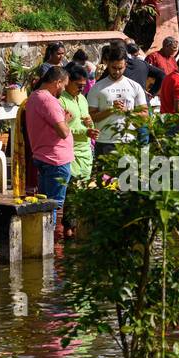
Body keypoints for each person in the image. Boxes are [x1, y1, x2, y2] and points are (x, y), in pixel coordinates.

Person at [24, 65, 73, 233]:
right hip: (55, 160)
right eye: (64, 85)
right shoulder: (48, 100)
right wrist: (66, 120)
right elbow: (63, 132)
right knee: (54, 206)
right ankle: (52, 244)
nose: (64, 89)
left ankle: (43, 241)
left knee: (44, 204)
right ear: (57, 82)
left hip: (44, 157)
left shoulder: (34, 97)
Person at [87, 42, 148, 157]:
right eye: (113, 68)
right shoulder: (97, 88)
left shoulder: (135, 86)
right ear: (107, 63)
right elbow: (91, 116)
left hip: (129, 141)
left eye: (120, 68)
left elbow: (145, 116)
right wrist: (111, 110)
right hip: (105, 142)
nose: (117, 71)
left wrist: (126, 111)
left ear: (126, 65)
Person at [59, 64, 96, 238]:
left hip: (85, 151)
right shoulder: (61, 100)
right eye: (78, 85)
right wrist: (84, 130)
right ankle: (68, 228)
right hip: (70, 150)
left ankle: (79, 228)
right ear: (68, 82)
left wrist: (91, 126)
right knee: (72, 191)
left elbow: (87, 121)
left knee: (83, 191)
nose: (82, 89)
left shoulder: (82, 99)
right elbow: (62, 128)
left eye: (84, 86)